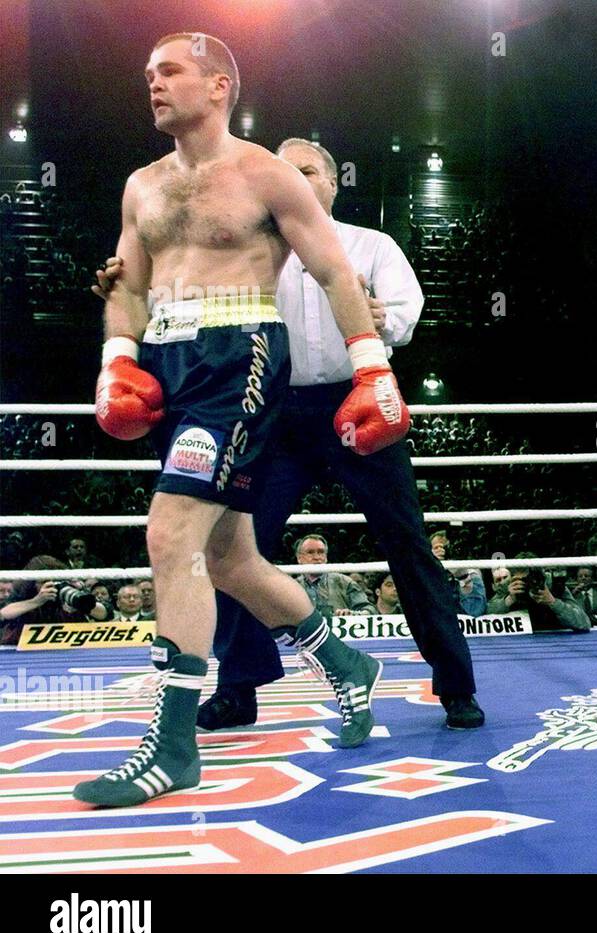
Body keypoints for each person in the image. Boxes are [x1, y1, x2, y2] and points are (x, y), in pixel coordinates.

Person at [76, 32, 406, 808]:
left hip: (241, 355)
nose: (152, 84)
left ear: (218, 85)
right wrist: (116, 358)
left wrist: (371, 365)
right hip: (169, 360)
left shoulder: (264, 173)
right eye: (147, 74)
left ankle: (172, 746)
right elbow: (127, 280)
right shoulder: (142, 186)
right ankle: (347, 664)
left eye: (169, 72)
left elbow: (330, 264)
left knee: (169, 533)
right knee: (228, 557)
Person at [95, 133, 482, 732]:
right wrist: (132, 287)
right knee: (236, 547)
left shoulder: (369, 245)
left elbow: (407, 310)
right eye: (284, 169)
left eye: (306, 170)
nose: (293, 178)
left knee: (406, 541)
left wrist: (382, 320)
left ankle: (456, 685)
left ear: (330, 183)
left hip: (352, 401)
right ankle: (239, 687)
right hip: (267, 406)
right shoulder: (248, 244)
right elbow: (179, 288)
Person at [1, 557, 111, 646]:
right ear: (33, 584)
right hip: (23, 651)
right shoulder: (23, 597)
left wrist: (81, 600)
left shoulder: (69, 593)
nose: (52, 585)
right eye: (44, 581)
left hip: (68, 650)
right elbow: (2, 614)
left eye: (56, 580)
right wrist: (37, 601)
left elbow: (106, 613)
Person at [486, 555, 590, 631]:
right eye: (523, 580)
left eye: (529, 579)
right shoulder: (511, 586)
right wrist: (509, 600)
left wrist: (553, 602)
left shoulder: (551, 584)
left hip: (554, 641)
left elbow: (584, 623)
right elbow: (486, 614)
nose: (527, 584)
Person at [293, 535, 375, 617]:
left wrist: (352, 614)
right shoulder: (291, 586)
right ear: (299, 558)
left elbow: (370, 610)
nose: (317, 557)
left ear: (326, 557)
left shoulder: (344, 582)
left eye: (321, 552)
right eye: (310, 552)